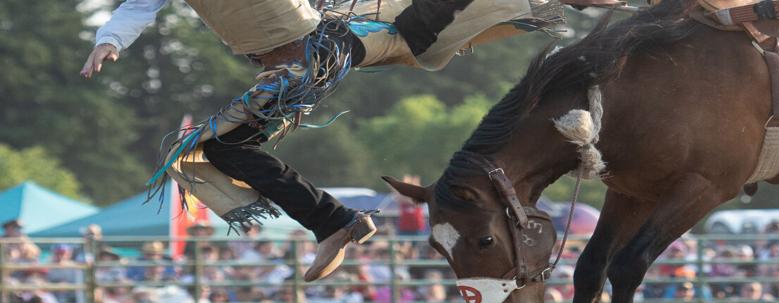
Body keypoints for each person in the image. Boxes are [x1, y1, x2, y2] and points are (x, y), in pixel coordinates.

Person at [81, 1, 617, 282]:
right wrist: (109, 41)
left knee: (214, 148)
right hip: (317, 51)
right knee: (218, 147)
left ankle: (335, 222)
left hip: (314, 52)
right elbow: (137, 7)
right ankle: (336, 222)